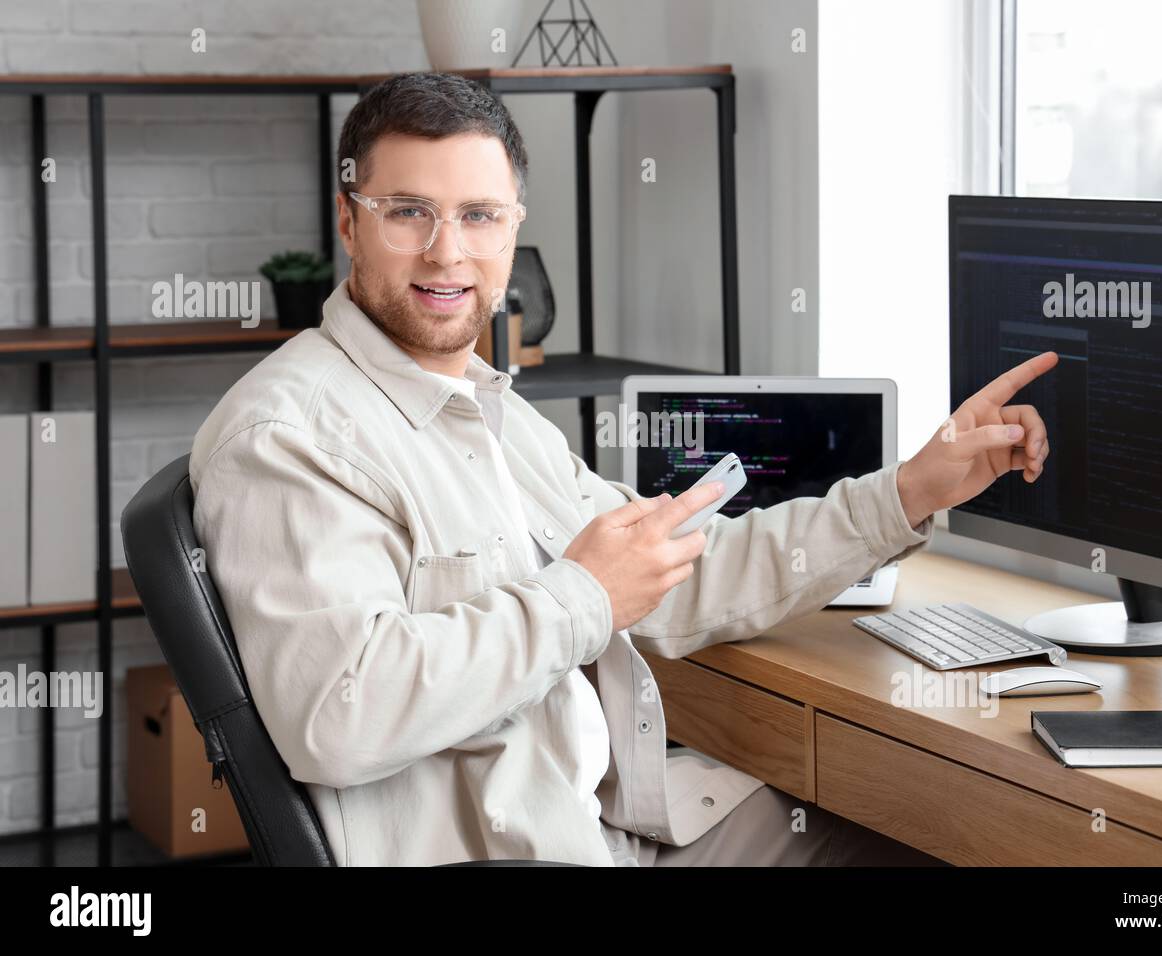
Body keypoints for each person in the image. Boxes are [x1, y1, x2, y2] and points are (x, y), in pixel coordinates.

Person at [190, 72, 1057, 867]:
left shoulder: (488, 410)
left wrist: (908, 492)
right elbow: (341, 713)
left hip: (608, 830)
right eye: (408, 211)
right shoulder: (287, 435)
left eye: (480, 216)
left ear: (516, 228)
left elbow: (678, 568)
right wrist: (584, 595)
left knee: (908, 836)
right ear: (350, 221)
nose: (448, 252)